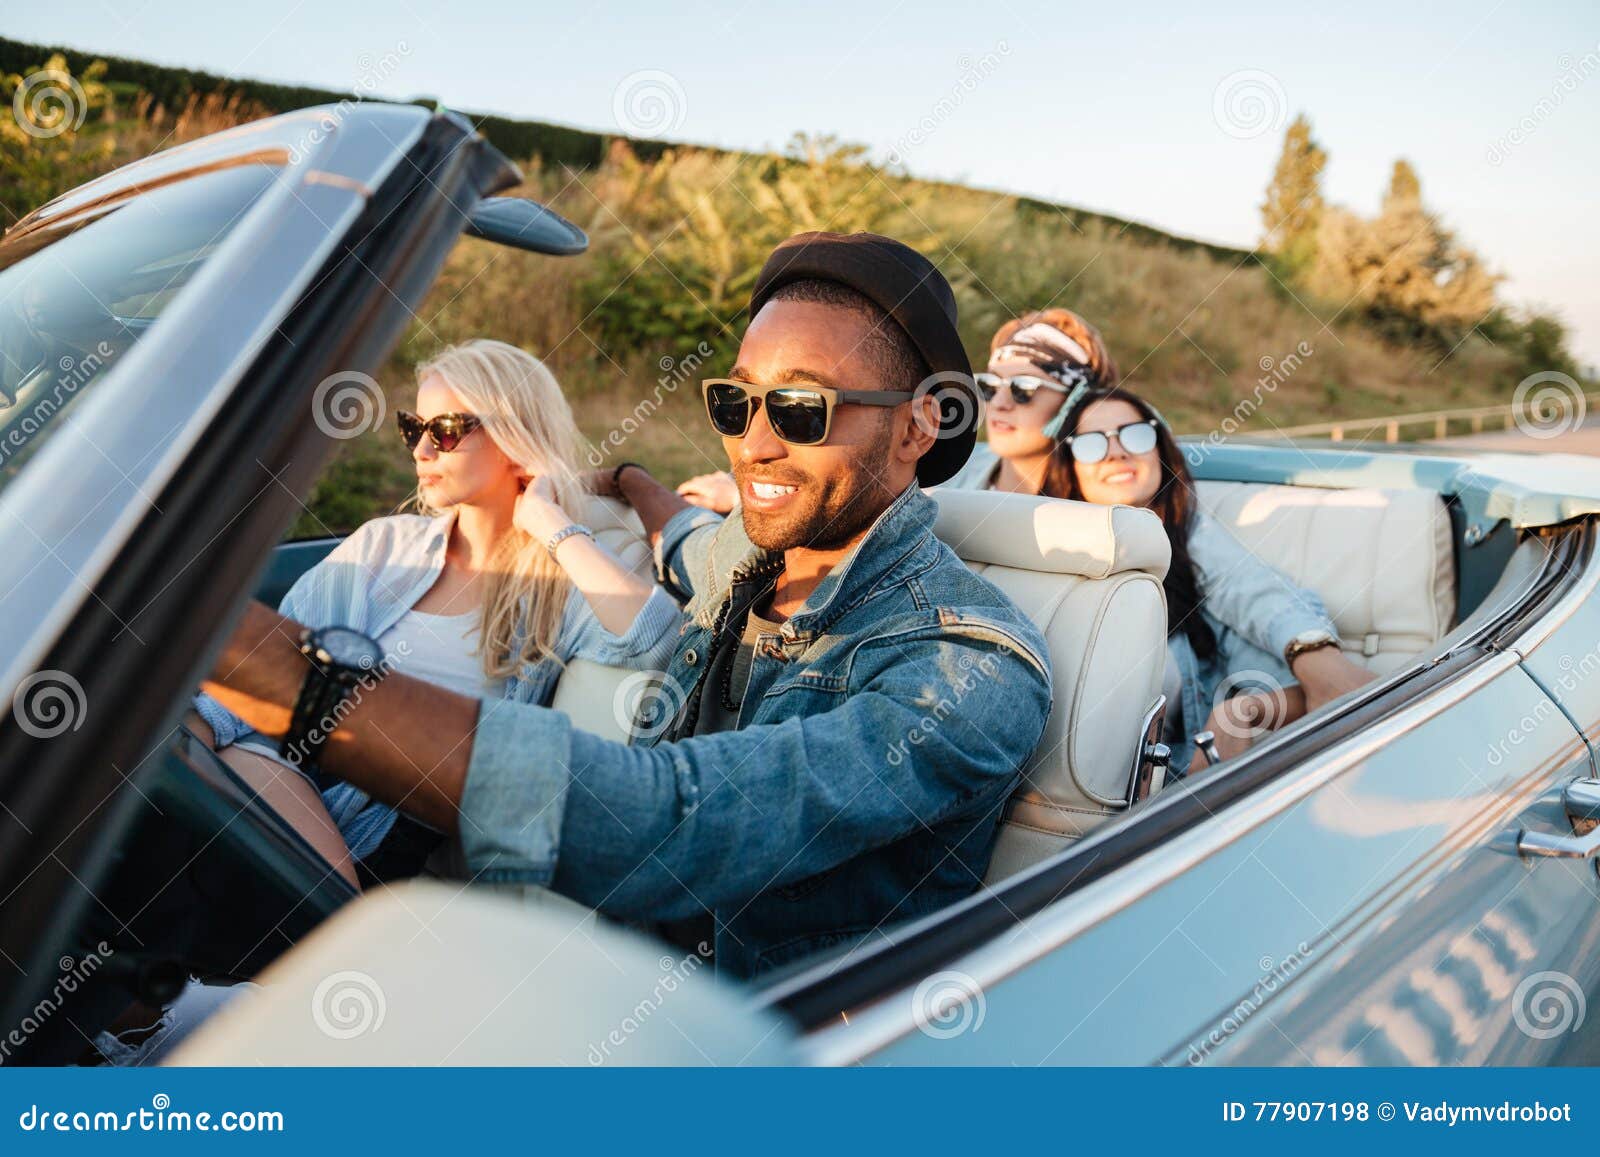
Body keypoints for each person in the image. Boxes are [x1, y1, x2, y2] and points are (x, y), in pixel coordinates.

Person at [200, 231, 1052, 978]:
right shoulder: (749, 553)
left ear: (917, 427)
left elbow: (675, 819)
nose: (753, 440)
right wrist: (629, 483)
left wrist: (284, 673)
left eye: (800, 407)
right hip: (593, 975)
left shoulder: (967, 665)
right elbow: (686, 536)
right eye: (736, 399)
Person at [192, 338, 682, 887]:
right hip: (266, 779)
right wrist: (188, 736)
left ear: (514, 438)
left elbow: (656, 638)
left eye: (444, 430)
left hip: (373, 835)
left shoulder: (556, 588)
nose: (421, 451)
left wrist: (550, 522)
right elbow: (259, 670)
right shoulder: (383, 545)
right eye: (412, 428)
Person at [946, 308, 1374, 772]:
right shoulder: (951, 479)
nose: (999, 404)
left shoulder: (1132, 510)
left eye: (1024, 389)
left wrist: (1309, 657)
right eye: (988, 386)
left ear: (1074, 403)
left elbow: (1239, 580)